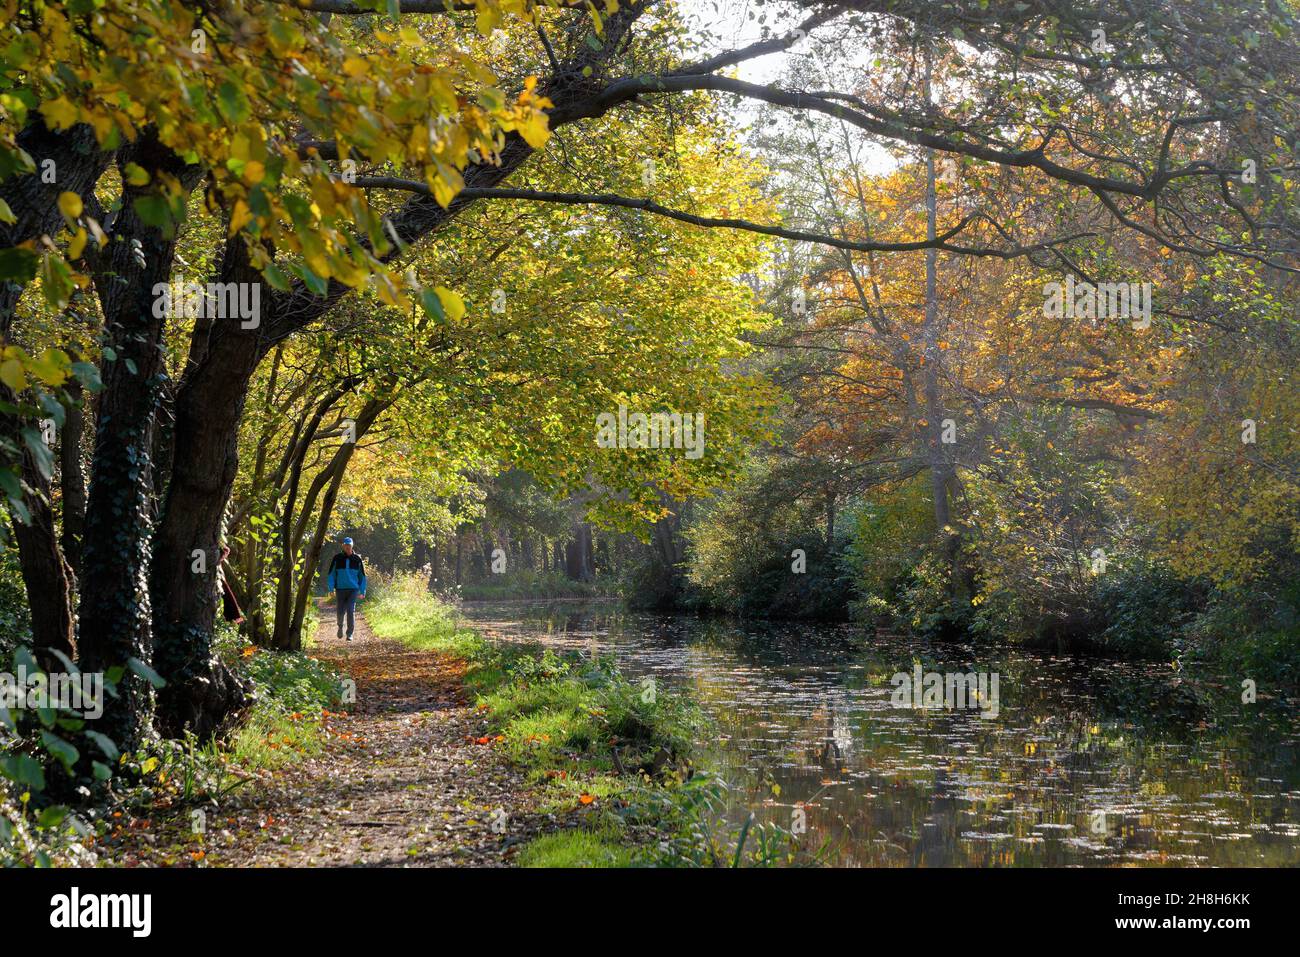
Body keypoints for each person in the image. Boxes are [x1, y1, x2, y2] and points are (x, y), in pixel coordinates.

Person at [326, 537, 367, 641]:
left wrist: (362, 591)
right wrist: (331, 588)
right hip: (340, 589)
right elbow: (331, 574)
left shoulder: (357, 559)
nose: (348, 547)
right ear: (343, 546)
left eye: (349, 545)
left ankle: (349, 634)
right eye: (346, 545)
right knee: (340, 611)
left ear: (352, 546)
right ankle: (340, 627)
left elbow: (362, 576)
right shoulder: (337, 558)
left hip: (353, 589)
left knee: (350, 610)